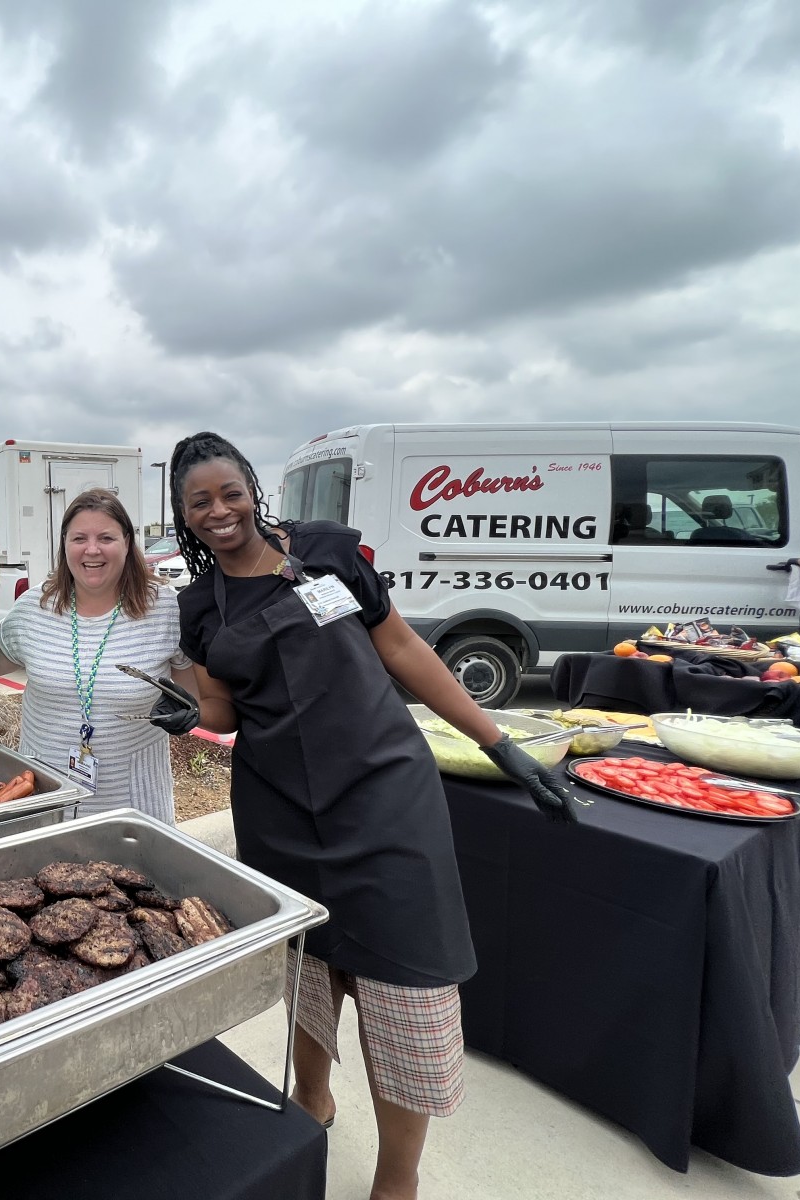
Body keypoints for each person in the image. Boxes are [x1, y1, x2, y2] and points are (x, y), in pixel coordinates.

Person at [168, 431, 575, 1200]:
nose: (219, 511)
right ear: (184, 516)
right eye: (200, 503)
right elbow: (222, 709)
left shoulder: (325, 551)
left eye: (230, 493)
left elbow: (403, 649)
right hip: (279, 810)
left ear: (252, 490)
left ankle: (397, 1179)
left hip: (384, 796)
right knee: (308, 964)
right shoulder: (200, 605)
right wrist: (186, 711)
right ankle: (312, 1097)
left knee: (404, 985)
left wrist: (497, 744)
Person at [0, 488, 198, 821]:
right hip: (46, 803)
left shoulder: (165, 610)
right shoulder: (35, 607)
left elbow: (195, 696)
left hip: (135, 810)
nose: (92, 549)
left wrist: (190, 712)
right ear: (64, 544)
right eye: (79, 538)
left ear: (127, 543)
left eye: (106, 537)